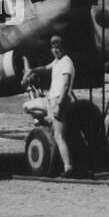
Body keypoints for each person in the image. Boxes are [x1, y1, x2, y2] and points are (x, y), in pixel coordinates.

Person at [24, 35, 77, 177]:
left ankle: (68, 168)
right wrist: (33, 70)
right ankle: (47, 121)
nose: (55, 50)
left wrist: (59, 104)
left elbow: (65, 85)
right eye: (53, 48)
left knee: (59, 136)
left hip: (59, 100)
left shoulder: (66, 62)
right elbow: (46, 68)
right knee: (28, 107)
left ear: (63, 48)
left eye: (58, 48)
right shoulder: (57, 61)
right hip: (51, 100)